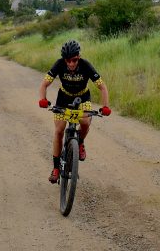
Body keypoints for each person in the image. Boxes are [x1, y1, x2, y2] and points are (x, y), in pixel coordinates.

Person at [38, 39, 111, 183]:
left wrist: (106, 106)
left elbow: (102, 87)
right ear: (64, 59)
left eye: (74, 60)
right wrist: (43, 99)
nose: (71, 64)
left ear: (79, 57)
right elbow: (44, 84)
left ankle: (80, 142)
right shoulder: (59, 64)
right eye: (68, 61)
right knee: (59, 131)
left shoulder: (86, 65)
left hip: (83, 97)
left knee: (85, 122)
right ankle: (56, 168)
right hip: (63, 98)